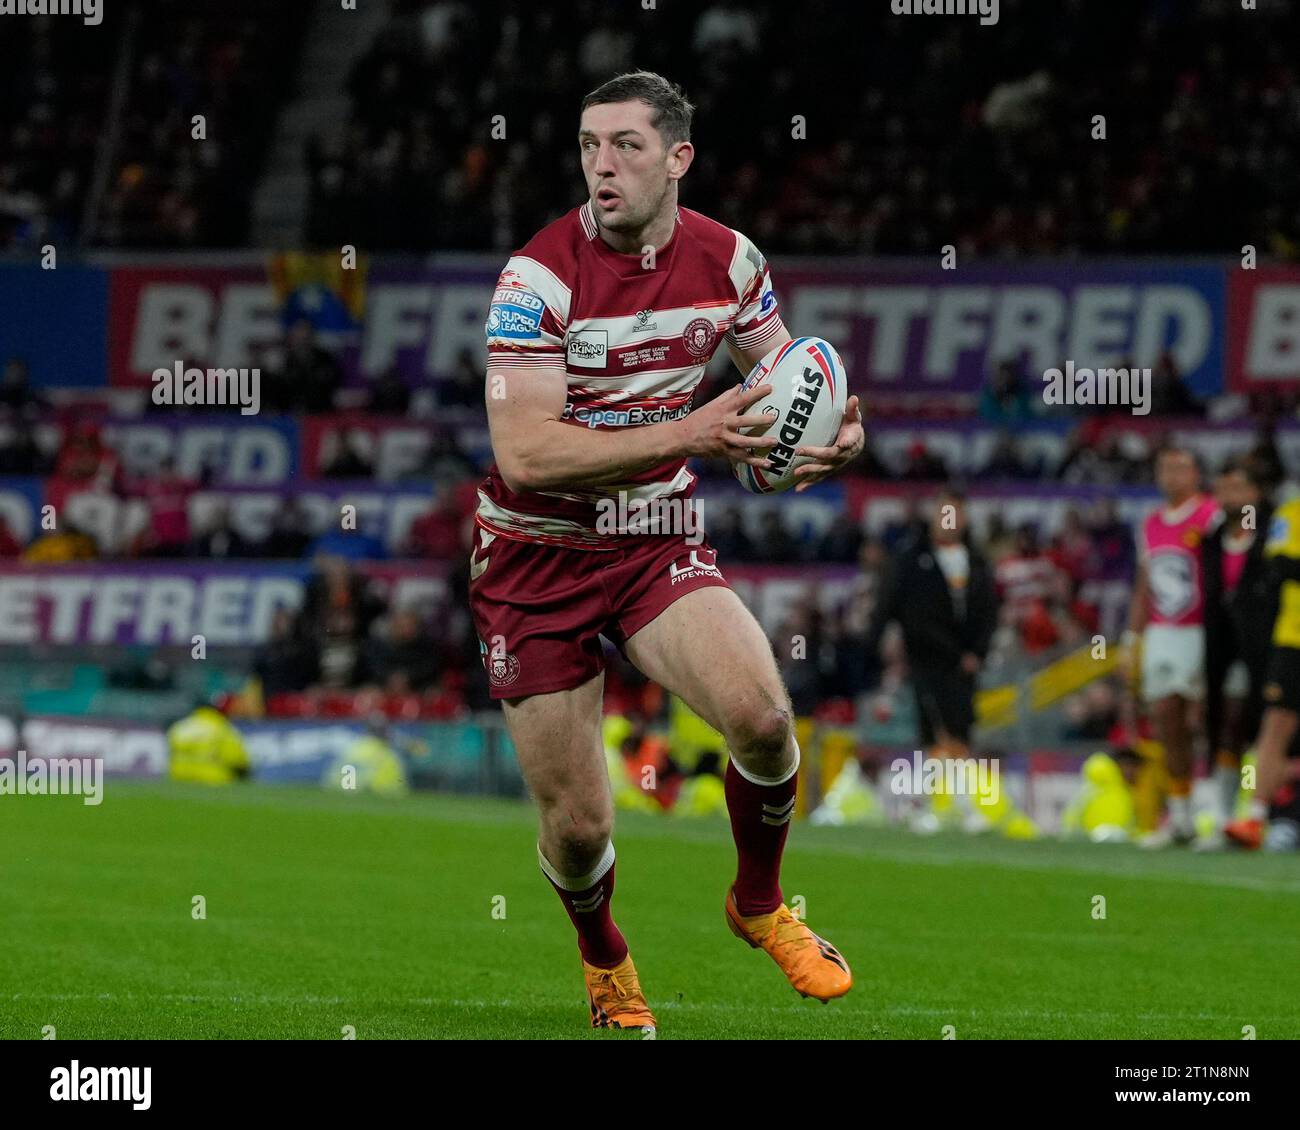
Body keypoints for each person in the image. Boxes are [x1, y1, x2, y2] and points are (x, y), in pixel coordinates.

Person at [469, 72, 863, 1032]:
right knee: (579, 830)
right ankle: (604, 956)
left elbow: (780, 390)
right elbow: (525, 453)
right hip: (534, 557)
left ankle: (759, 903)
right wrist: (691, 434)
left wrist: (830, 438)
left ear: (679, 157)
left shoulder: (732, 262)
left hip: (652, 538)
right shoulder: (535, 280)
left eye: (626, 146)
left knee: (762, 719)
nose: (601, 166)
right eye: (588, 146)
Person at [864, 488, 1001, 830]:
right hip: (927, 657)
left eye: (956, 514)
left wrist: (977, 653)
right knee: (938, 731)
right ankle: (952, 806)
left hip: (965, 664)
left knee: (958, 732)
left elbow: (988, 611)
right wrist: (876, 647)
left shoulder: (976, 562)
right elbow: (899, 609)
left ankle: (930, 804)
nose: (949, 521)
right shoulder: (912, 559)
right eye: (944, 513)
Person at [1121, 445, 1219, 847]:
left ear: (1196, 473)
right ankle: (1180, 815)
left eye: (1180, 467)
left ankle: (1219, 812)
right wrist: (1132, 638)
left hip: (1202, 629)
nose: (1171, 475)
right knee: (1166, 718)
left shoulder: (1211, 514)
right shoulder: (1150, 523)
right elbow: (1144, 584)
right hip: (1163, 632)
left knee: (1206, 720)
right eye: (1164, 467)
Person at [1225, 492, 1300, 851]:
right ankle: (1254, 817)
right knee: (1276, 725)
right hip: (1294, 640)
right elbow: (1281, 565)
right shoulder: (1292, 512)